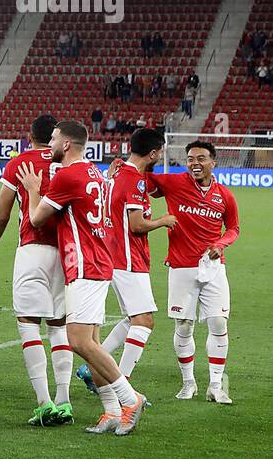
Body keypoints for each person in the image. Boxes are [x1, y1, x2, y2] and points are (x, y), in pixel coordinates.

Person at [14, 121, 148, 435]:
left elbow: (36, 219)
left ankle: (131, 398)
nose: (49, 145)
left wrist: (34, 190)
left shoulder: (67, 176)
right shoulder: (95, 173)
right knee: (92, 341)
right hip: (98, 260)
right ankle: (111, 411)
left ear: (67, 145)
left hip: (85, 264)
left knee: (79, 341)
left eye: (53, 139)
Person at [0, 115, 74, 426]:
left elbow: (1, 214)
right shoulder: (69, 162)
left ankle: (44, 403)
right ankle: (65, 400)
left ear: (29, 135)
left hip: (33, 249)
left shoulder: (20, 163)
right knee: (59, 326)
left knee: (29, 324)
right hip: (66, 254)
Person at [73, 128, 175, 393]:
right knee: (144, 321)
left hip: (113, 254)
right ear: (153, 153)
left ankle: (92, 366)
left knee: (133, 318)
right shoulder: (134, 180)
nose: (160, 155)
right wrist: (163, 221)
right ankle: (122, 383)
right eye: (159, 152)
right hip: (128, 258)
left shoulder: (118, 173)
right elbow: (137, 225)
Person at [145, 141, 239, 404]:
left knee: (219, 323)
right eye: (190, 159)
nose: (194, 163)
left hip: (213, 268)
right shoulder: (174, 183)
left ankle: (216, 385)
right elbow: (144, 179)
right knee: (183, 325)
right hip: (181, 265)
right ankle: (189, 383)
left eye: (201, 158)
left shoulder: (225, 196)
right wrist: (127, 166)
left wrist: (220, 244)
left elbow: (233, 228)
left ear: (213, 162)